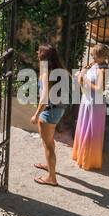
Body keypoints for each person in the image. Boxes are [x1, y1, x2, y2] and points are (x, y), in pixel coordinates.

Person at [31, 44, 67, 186]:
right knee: (50, 142)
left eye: (38, 52)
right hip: (58, 109)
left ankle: (52, 178)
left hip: (49, 112)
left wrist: (36, 114)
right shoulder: (58, 69)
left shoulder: (47, 74)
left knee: (48, 145)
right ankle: (49, 166)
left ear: (42, 56)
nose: (36, 52)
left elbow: (44, 98)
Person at [72, 44, 109, 171]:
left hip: (95, 104)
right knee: (84, 128)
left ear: (100, 57)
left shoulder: (103, 70)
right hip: (87, 100)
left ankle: (88, 159)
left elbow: (100, 89)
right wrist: (82, 73)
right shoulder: (95, 64)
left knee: (91, 132)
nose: (91, 56)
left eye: (94, 55)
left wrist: (85, 80)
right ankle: (80, 154)